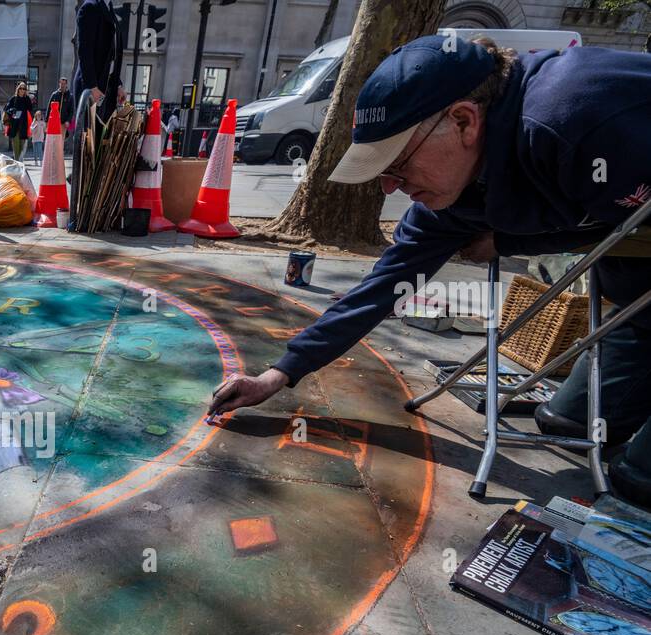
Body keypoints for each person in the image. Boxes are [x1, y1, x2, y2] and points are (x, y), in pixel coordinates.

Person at [207, 35, 651, 506]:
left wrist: (512, 239)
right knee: (566, 425)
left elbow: (612, 220)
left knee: (637, 481)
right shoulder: (450, 197)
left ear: (463, 121)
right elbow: (378, 291)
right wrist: (277, 376)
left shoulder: (580, 120)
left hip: (631, 227)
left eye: (397, 163)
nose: (390, 187)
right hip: (633, 280)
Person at [73, 0, 122, 127]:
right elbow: (84, 51)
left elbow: (110, 56)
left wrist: (118, 85)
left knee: (100, 141)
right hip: (91, 88)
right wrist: (92, 86)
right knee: (87, 142)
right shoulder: (90, 7)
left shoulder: (109, 9)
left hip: (104, 88)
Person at [4, 82, 34, 161]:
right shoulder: (13, 98)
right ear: (18, 89)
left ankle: (19, 162)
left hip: (23, 125)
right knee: (16, 147)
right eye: (21, 88)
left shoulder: (26, 99)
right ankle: (17, 163)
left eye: (24, 88)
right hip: (14, 125)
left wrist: (27, 97)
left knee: (22, 147)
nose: (22, 90)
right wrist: (12, 111)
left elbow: (30, 108)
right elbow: (6, 109)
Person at [49, 76, 73, 143]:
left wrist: (68, 121)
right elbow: (49, 108)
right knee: (54, 141)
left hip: (63, 123)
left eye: (64, 84)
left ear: (66, 84)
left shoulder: (70, 96)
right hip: (54, 122)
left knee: (61, 141)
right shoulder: (54, 95)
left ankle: (59, 153)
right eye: (61, 83)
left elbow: (71, 111)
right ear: (59, 83)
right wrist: (46, 121)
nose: (62, 85)